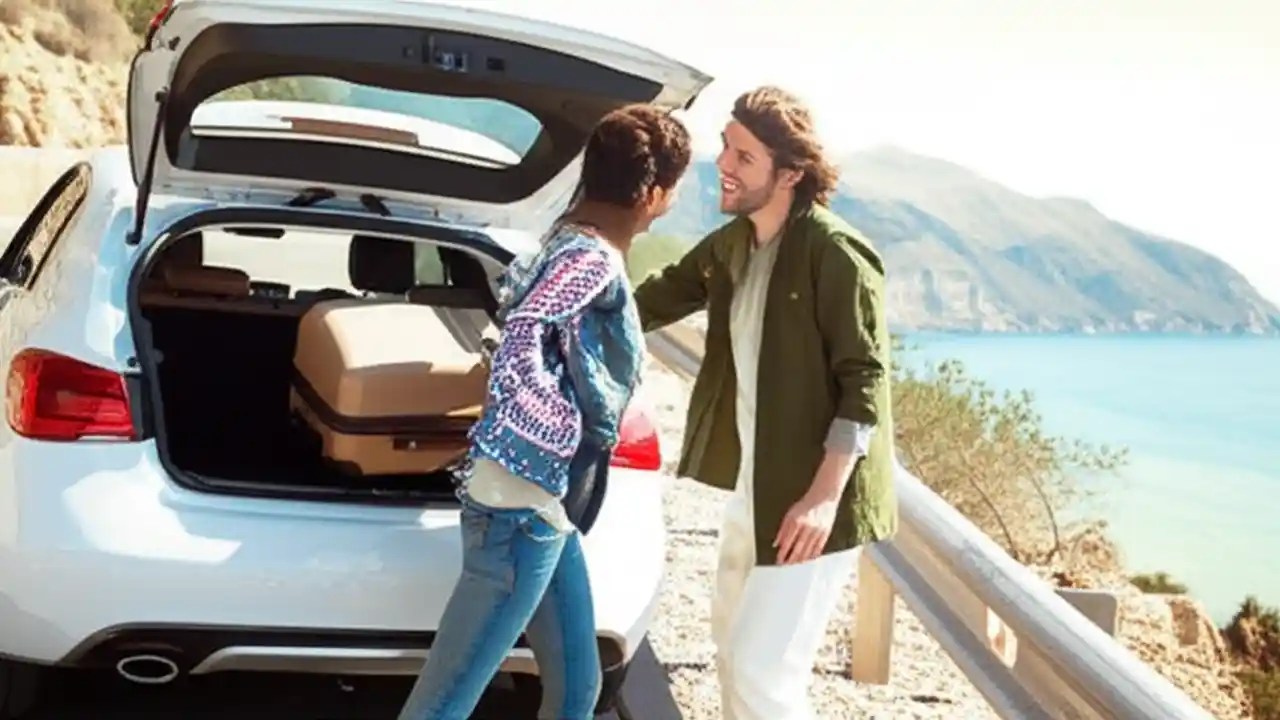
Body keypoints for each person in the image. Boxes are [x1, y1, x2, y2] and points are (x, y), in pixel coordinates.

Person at [397, 104, 692, 720]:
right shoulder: (592, 257)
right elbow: (525, 334)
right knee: (443, 704)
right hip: (518, 510)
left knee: (579, 688)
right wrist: (546, 434)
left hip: (540, 511)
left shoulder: (570, 238)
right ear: (655, 193)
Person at [632, 86, 897, 720]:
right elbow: (652, 299)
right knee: (732, 651)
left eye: (744, 156)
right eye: (726, 146)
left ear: (790, 174)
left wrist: (823, 499)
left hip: (814, 504)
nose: (723, 163)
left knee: (762, 671)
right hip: (758, 489)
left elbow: (866, 383)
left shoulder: (834, 253)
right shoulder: (731, 246)